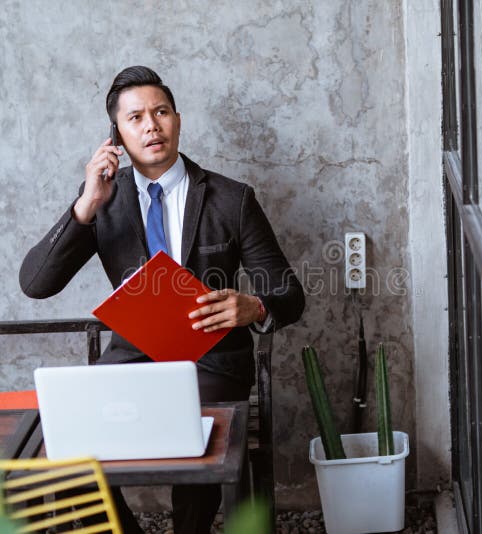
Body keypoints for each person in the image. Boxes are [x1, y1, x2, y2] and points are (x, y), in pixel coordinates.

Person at [19, 65, 305, 534]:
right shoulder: (103, 200)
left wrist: (254, 308)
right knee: (68, 442)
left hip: (212, 362)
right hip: (132, 358)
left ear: (177, 119)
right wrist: (86, 205)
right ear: (116, 135)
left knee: (195, 436)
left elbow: (288, 294)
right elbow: (36, 283)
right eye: (135, 118)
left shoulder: (231, 199)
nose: (151, 125)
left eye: (161, 111)